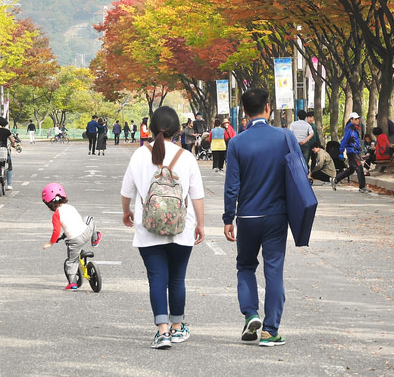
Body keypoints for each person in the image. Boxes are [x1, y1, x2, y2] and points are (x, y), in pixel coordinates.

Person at [120, 106, 205, 349]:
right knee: (177, 279)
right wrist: (200, 224)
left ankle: (163, 332)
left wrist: (127, 211)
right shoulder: (186, 157)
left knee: (157, 278)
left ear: (153, 128)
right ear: (178, 131)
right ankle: (178, 328)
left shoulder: (139, 155)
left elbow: (127, 191)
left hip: (149, 228)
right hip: (182, 228)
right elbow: (197, 196)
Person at [223, 87, 302, 347]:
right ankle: (270, 331)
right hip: (277, 215)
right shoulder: (285, 137)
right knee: (274, 269)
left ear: (243, 111)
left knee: (245, 266)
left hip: (247, 217)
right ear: (268, 108)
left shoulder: (236, 143)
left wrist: (228, 218)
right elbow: (299, 173)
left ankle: (251, 314)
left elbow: (232, 186)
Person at [41, 182, 102, 290]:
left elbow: (56, 231)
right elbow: (76, 221)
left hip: (74, 241)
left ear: (48, 204)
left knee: (71, 261)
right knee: (89, 219)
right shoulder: (70, 207)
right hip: (86, 233)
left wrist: (51, 242)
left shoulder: (56, 215)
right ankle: (95, 239)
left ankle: (73, 283)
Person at [331, 112, 368, 194]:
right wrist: (341, 151)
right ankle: (362, 187)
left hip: (355, 152)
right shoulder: (350, 129)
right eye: (355, 119)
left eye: (358, 118)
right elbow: (344, 140)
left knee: (351, 170)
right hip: (352, 152)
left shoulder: (354, 129)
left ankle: (336, 179)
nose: (357, 120)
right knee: (359, 168)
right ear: (351, 120)